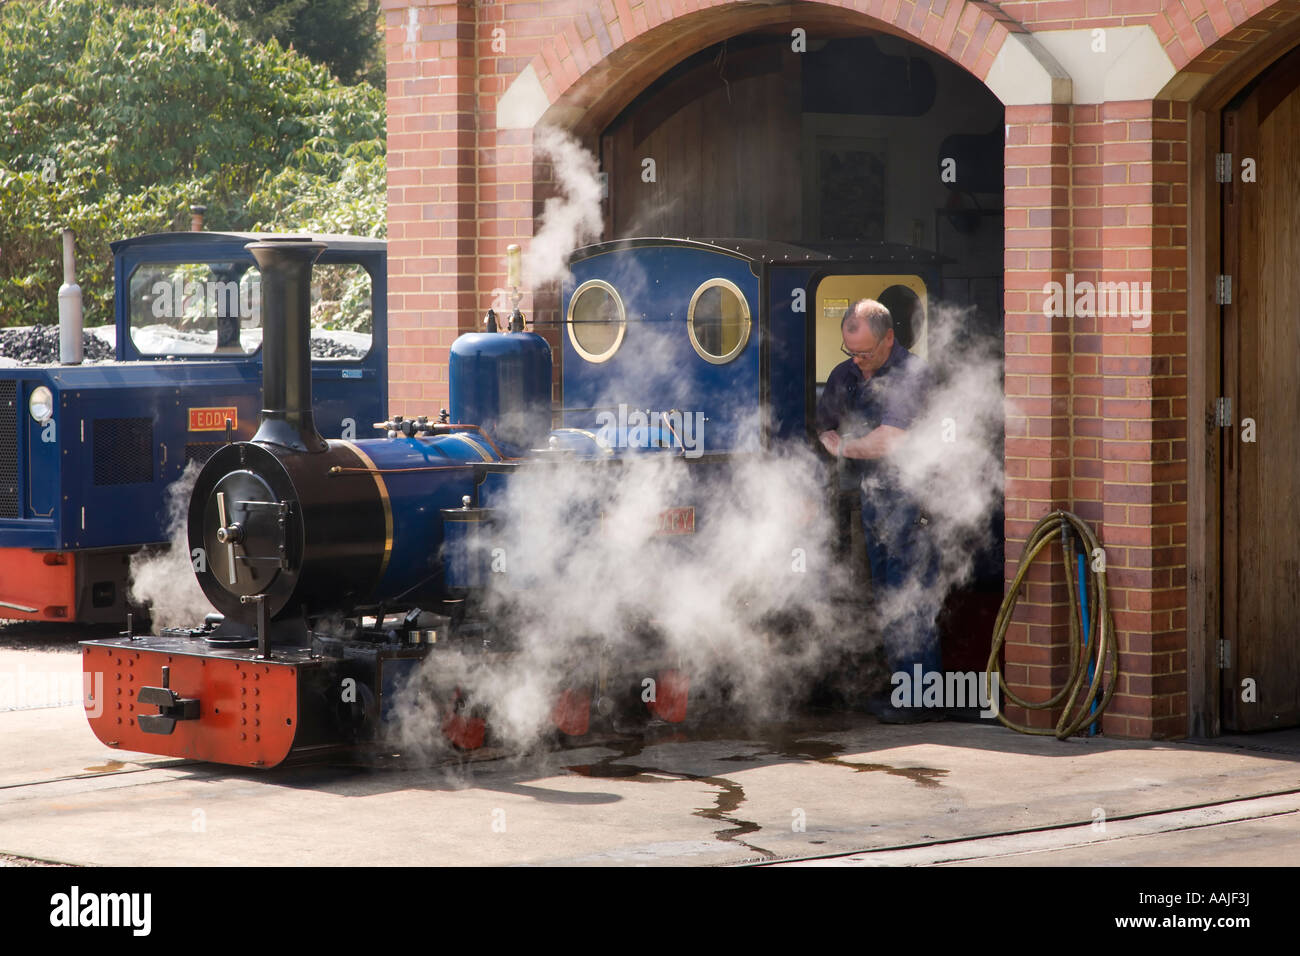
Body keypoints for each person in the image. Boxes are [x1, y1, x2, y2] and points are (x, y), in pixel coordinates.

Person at [816, 298, 941, 722]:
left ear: (889, 337)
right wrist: (832, 442)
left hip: (914, 499)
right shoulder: (846, 373)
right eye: (852, 351)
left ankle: (922, 699)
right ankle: (902, 689)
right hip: (870, 498)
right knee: (888, 597)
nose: (859, 360)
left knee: (911, 597)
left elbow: (892, 440)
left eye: (867, 352)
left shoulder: (913, 374)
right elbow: (824, 426)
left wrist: (846, 448)